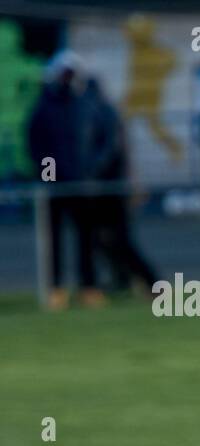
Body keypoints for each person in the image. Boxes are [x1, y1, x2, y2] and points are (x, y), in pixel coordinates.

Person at [27, 51, 105, 308]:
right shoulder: (44, 107)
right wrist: (50, 176)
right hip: (56, 186)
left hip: (82, 184)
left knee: (86, 238)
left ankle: (89, 287)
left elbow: (97, 141)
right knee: (54, 240)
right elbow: (38, 146)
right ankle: (56, 288)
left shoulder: (84, 105)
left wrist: (90, 171)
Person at [84, 76, 158, 293]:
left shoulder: (102, 115)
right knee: (106, 240)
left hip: (111, 191)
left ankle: (151, 282)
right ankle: (124, 280)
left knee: (118, 240)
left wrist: (92, 173)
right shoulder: (106, 113)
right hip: (111, 189)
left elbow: (112, 152)